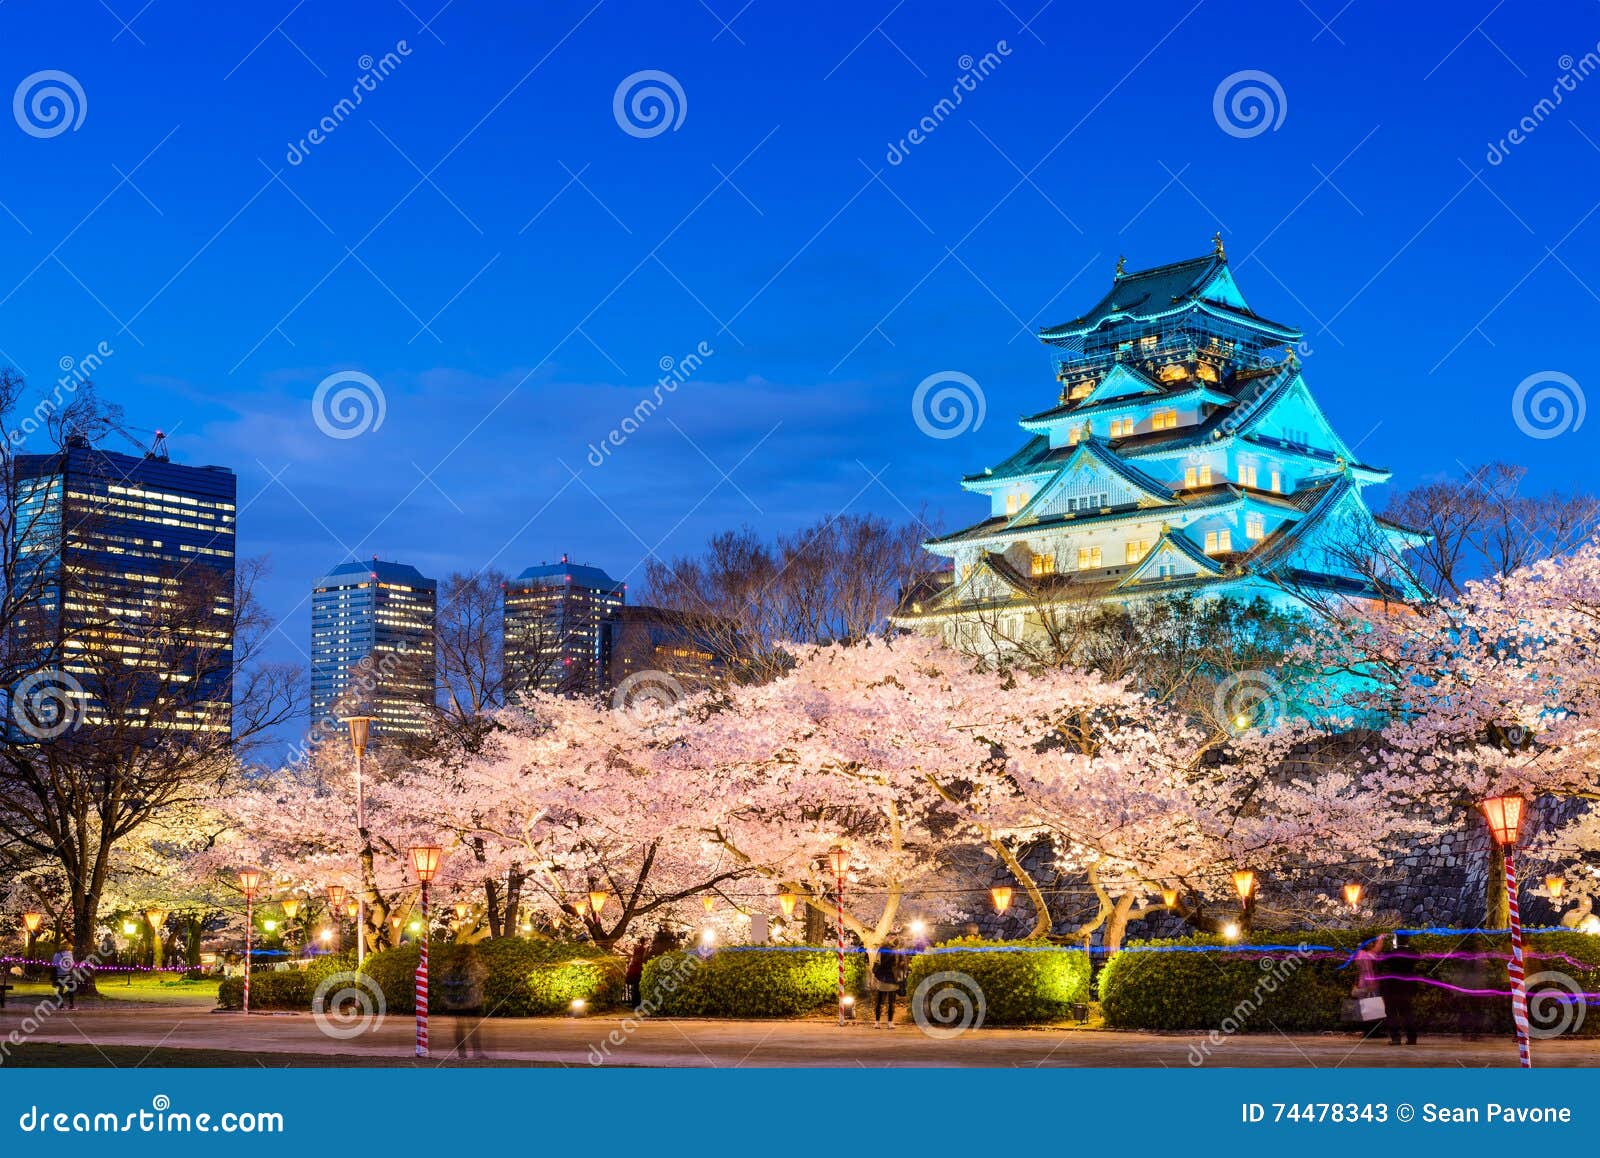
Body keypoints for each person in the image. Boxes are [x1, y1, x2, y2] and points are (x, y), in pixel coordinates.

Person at [1378, 931, 1419, 1045]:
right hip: (1408, 985)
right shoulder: (1413, 953)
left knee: (1391, 1013)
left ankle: (1395, 1038)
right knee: (1407, 1012)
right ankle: (1412, 1038)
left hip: (1392, 986)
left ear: (1396, 940)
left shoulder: (1390, 953)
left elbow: (1383, 961)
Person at [870, 939, 907, 1029]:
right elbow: (877, 961)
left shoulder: (898, 950)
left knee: (889, 1002)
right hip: (886, 976)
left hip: (890, 977)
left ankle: (886, 1022)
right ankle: (879, 1022)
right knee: (881, 1002)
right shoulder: (885, 949)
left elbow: (877, 962)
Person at [625, 939, 648, 1008]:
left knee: (634, 988)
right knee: (638, 987)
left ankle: (634, 1003)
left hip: (634, 970)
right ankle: (638, 1003)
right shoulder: (644, 950)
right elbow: (645, 958)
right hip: (640, 970)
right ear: (644, 942)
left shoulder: (636, 949)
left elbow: (634, 957)